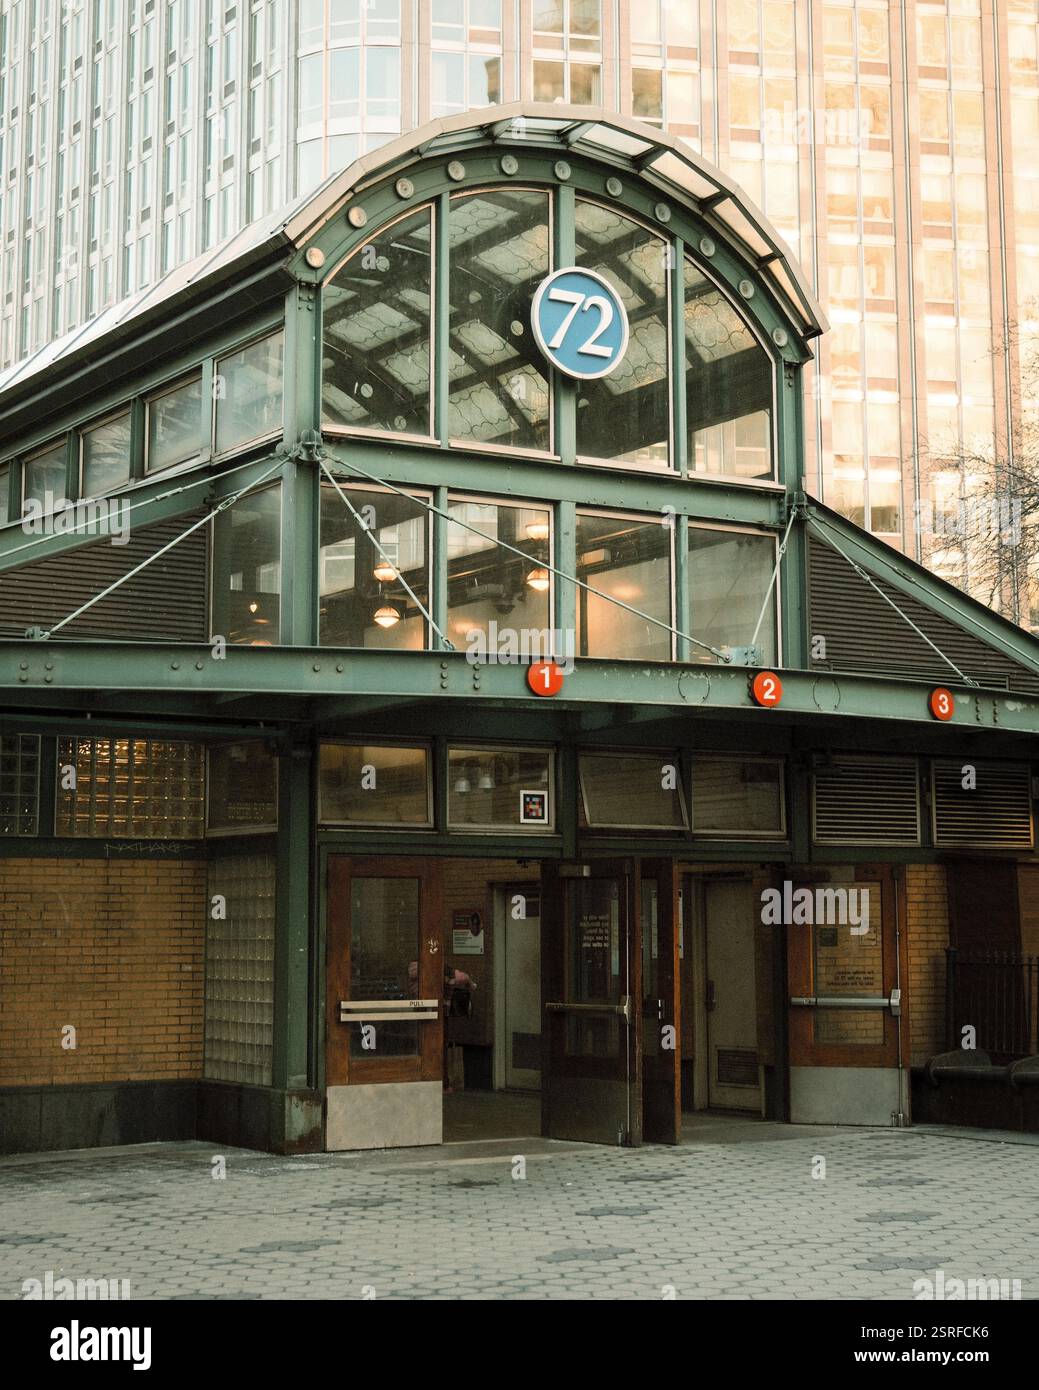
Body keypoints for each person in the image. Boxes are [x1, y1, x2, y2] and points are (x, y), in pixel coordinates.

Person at [443, 964, 475, 1092]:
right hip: (439, 1013)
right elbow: (463, 977)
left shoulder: (413, 967)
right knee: (440, 1049)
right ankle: (443, 1084)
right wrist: (471, 983)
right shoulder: (436, 967)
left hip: (420, 1013)